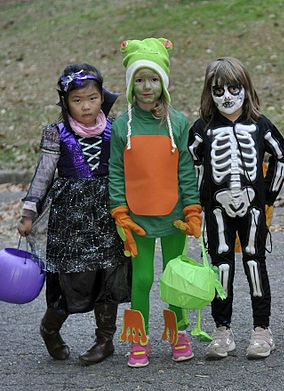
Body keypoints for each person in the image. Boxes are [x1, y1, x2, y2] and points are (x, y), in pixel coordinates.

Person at [18, 64, 130, 366]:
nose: (86, 106)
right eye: (77, 100)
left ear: (102, 97)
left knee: (110, 274)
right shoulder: (57, 134)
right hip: (70, 219)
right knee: (70, 280)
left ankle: (104, 340)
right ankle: (50, 328)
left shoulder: (116, 128)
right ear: (65, 102)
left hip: (108, 213)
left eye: (92, 98)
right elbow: (43, 174)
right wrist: (29, 212)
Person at [188, 57, 284, 360]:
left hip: (253, 208)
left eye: (234, 88)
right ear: (209, 93)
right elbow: (190, 164)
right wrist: (198, 201)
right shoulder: (201, 129)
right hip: (217, 210)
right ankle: (223, 331)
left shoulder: (260, 125)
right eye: (219, 90)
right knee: (221, 265)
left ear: (246, 89)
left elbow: (282, 157)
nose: (227, 96)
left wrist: (268, 197)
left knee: (254, 262)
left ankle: (262, 330)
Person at [108, 38, 201, 368]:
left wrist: (192, 208)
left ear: (164, 82)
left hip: (174, 215)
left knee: (174, 278)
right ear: (131, 84)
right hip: (138, 219)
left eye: (153, 79)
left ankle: (178, 335)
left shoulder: (177, 123)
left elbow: (186, 170)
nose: (147, 87)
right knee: (143, 278)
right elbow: (116, 172)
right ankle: (138, 338)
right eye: (140, 79)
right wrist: (119, 211)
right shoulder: (121, 127)